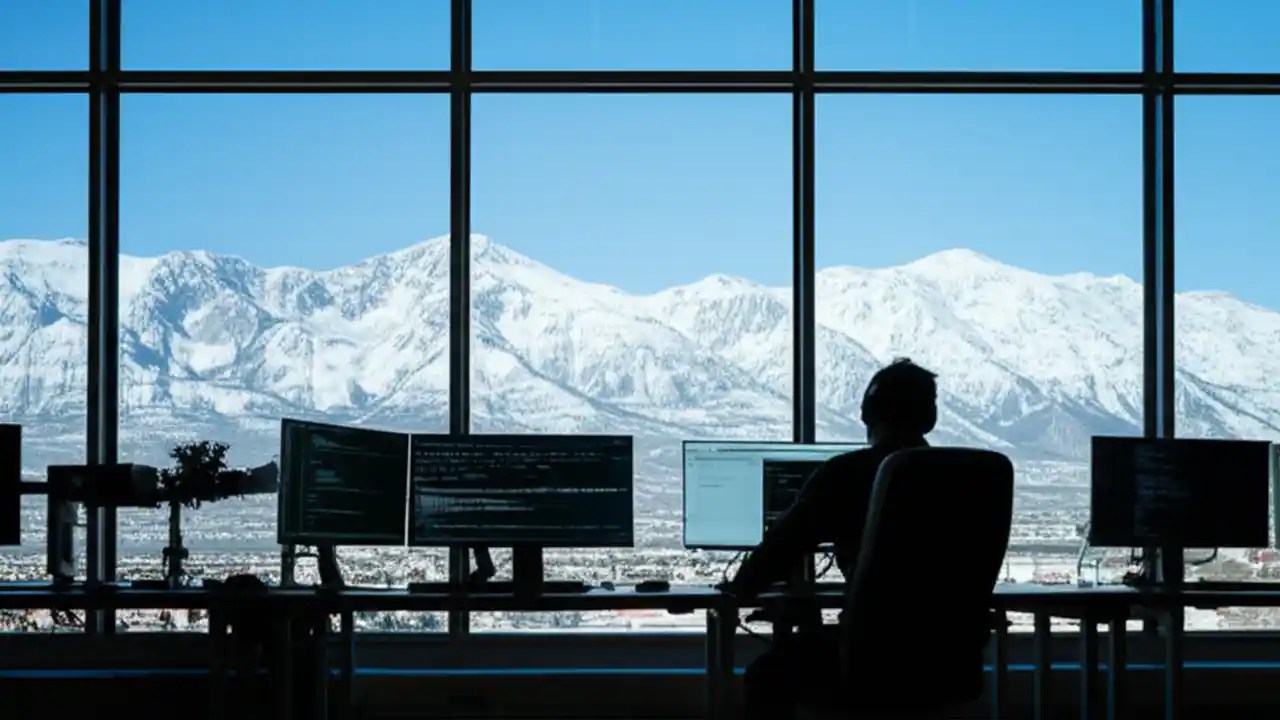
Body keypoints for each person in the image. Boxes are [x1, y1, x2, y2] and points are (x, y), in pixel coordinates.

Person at [725, 358, 938, 719]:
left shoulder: (847, 474)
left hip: (871, 656)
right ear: (930, 417)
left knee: (767, 674)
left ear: (866, 415)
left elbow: (778, 551)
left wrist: (743, 586)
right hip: (947, 656)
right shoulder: (968, 478)